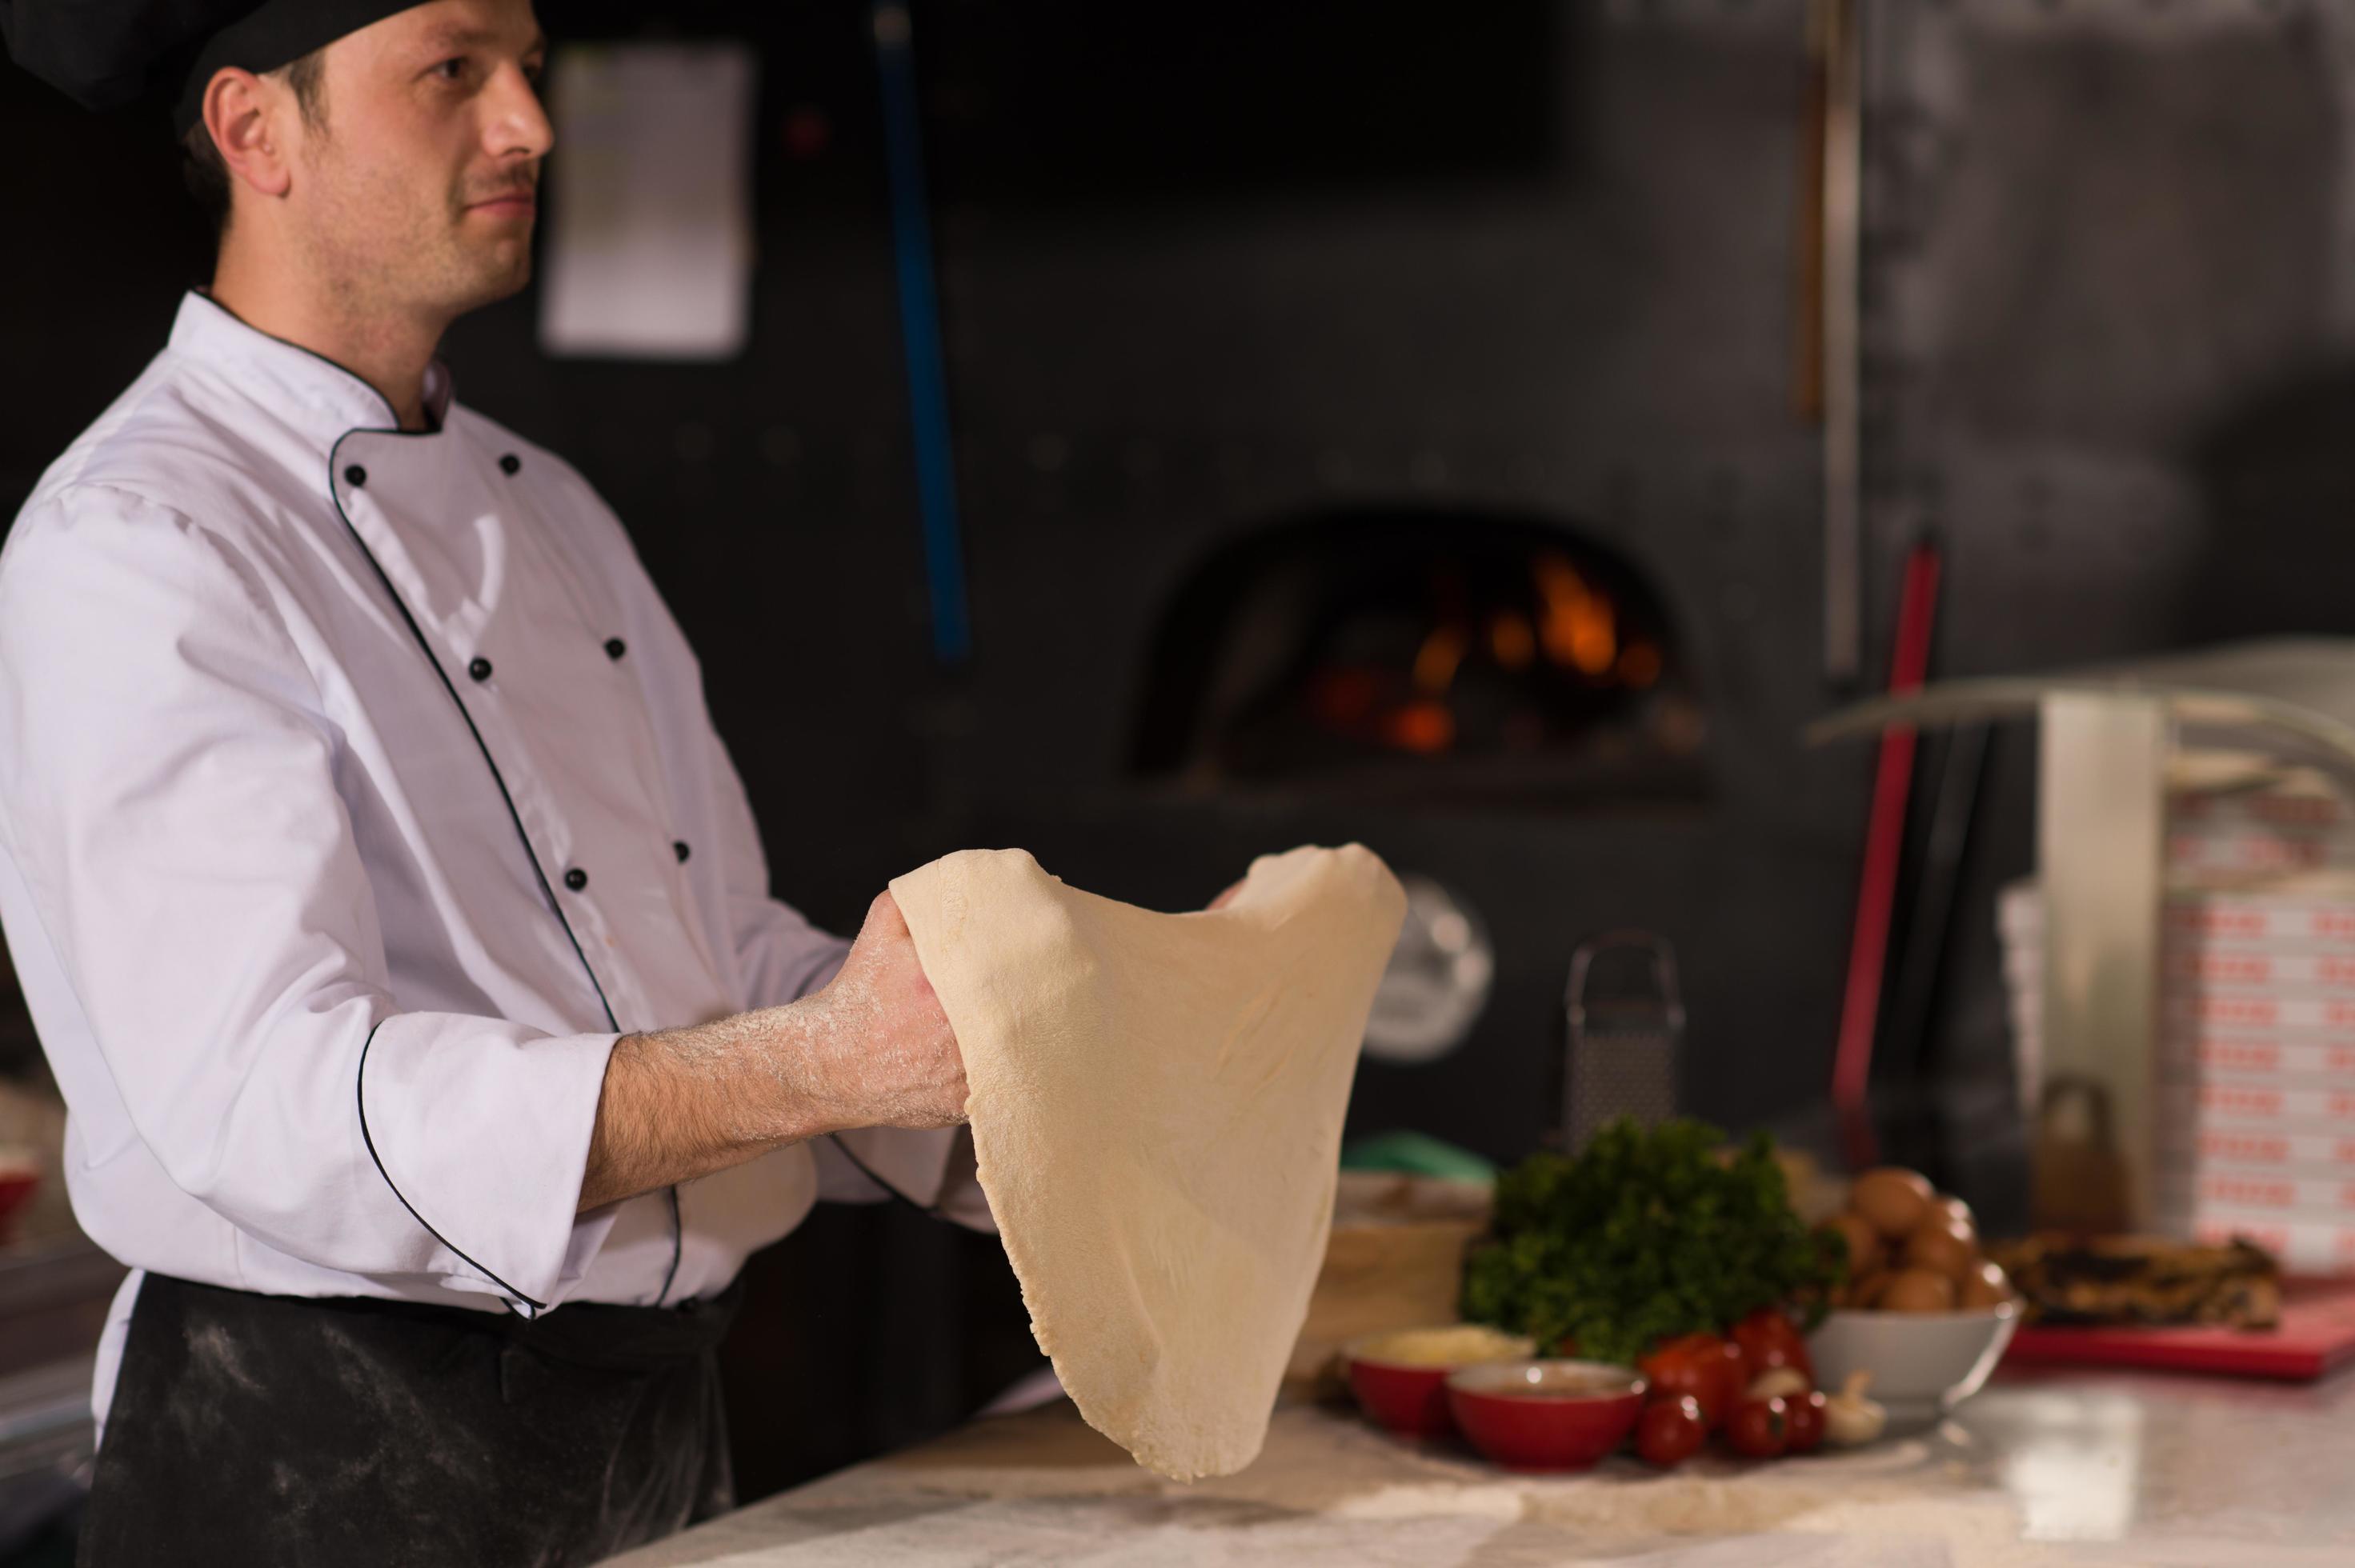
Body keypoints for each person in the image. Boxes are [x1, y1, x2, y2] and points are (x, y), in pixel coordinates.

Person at [0, 2, 991, 1561]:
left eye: (530, 68)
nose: (530, 123)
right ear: (256, 131)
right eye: (455, 71)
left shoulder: (555, 513)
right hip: (317, 1455)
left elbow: (712, 956)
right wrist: (822, 1067)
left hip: (656, 1433)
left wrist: (1012, 1075)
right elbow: (266, 1097)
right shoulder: (140, 540)